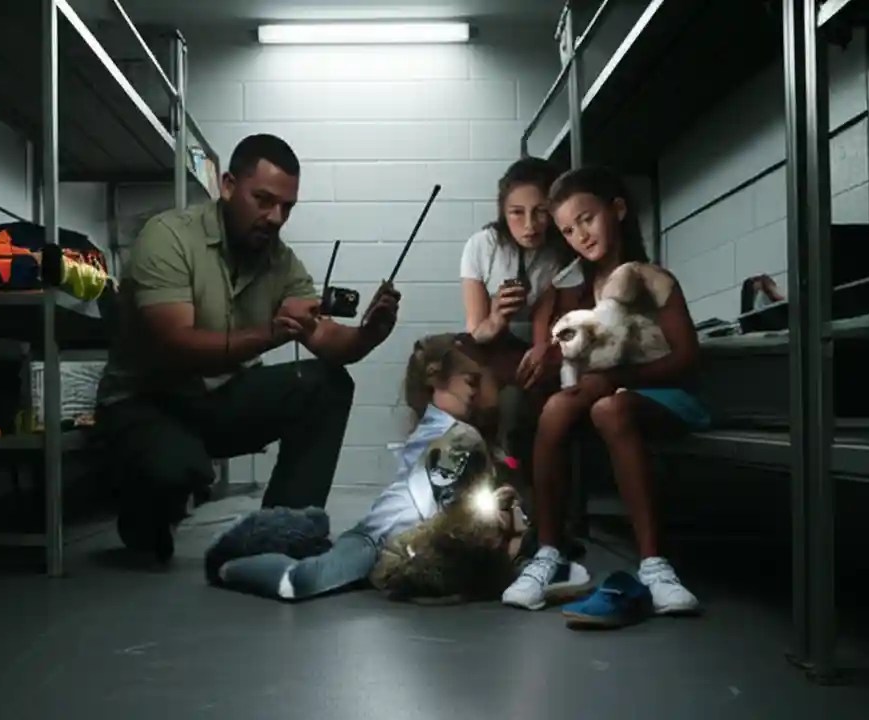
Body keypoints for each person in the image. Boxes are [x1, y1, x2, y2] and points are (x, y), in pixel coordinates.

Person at [94, 133, 402, 562]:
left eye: (287, 207)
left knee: (326, 386)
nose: (275, 217)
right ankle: (142, 515)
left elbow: (326, 338)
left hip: (215, 400)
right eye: (263, 200)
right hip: (145, 403)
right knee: (175, 481)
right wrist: (270, 333)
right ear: (226, 186)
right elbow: (176, 344)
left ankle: (282, 534)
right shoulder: (167, 237)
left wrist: (369, 333)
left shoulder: (279, 260)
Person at [213, 333, 592, 602]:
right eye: (468, 381)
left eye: (477, 382)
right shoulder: (444, 433)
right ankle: (229, 563)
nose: (475, 391)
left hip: (411, 546)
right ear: (434, 381)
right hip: (375, 540)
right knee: (301, 582)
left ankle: (534, 562)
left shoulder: (463, 435)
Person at [503, 165, 709, 623]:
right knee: (557, 406)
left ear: (616, 209)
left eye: (587, 219)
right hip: (606, 401)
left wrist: (620, 380)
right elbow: (581, 354)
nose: (580, 235)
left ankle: (656, 566)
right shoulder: (580, 291)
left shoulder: (652, 278)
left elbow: (687, 358)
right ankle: (550, 553)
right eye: (568, 230)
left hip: (667, 397)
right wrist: (556, 359)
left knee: (610, 408)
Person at [459, 157, 582, 454]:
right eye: (516, 213)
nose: (529, 225)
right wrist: (497, 317)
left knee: (529, 406)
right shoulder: (482, 246)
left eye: (541, 212)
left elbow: (561, 318)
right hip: (495, 346)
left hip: (547, 347)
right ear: (502, 211)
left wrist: (544, 346)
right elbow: (476, 332)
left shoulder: (562, 250)